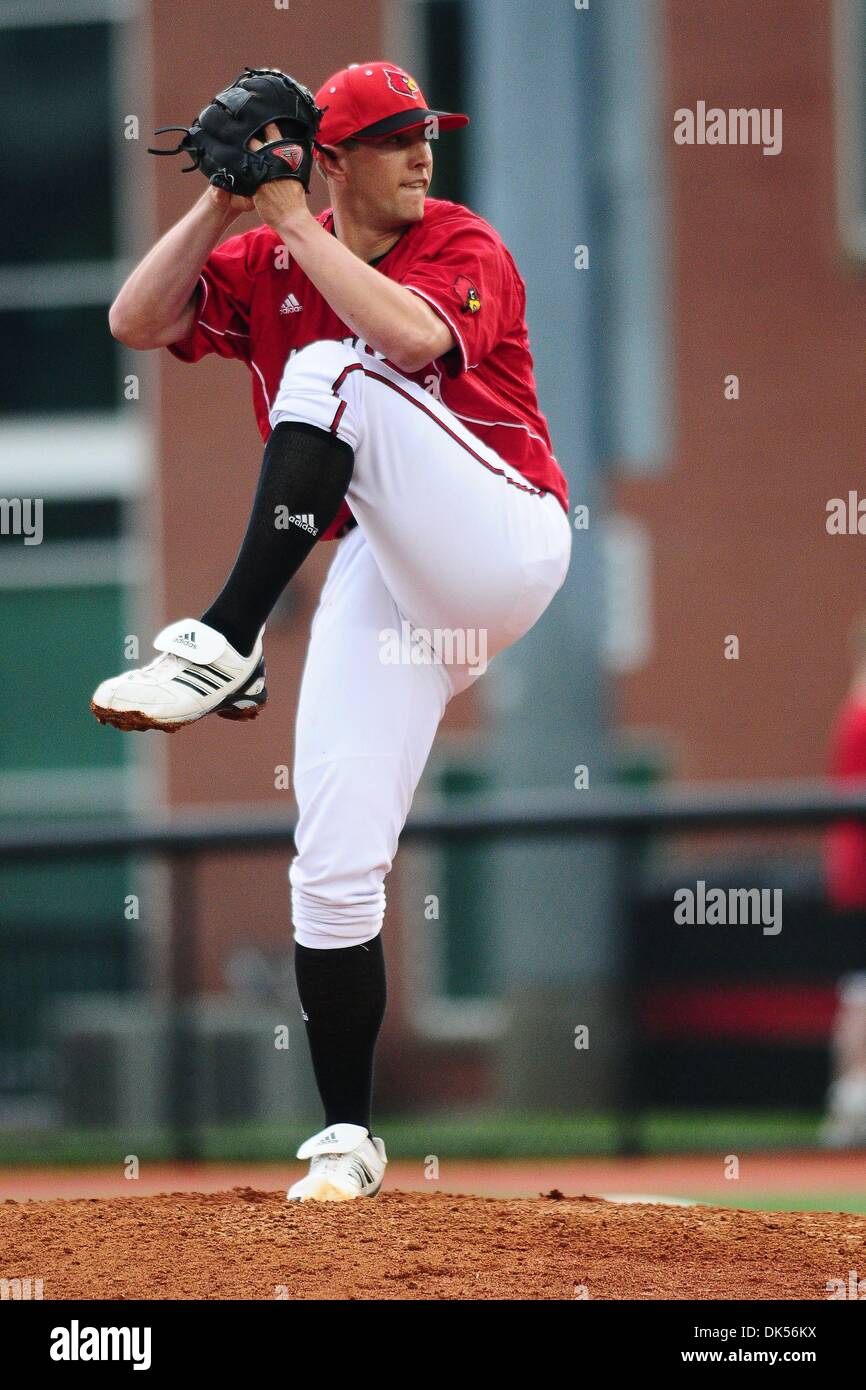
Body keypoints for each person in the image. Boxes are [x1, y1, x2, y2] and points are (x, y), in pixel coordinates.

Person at [94, 60, 571, 1199]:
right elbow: (134, 318)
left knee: (331, 368)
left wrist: (291, 217)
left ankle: (227, 636)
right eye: (396, 137)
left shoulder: (461, 242)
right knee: (334, 856)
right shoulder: (266, 251)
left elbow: (407, 342)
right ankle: (348, 1138)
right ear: (334, 155)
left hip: (500, 536)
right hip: (388, 568)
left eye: (427, 135)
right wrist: (221, 196)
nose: (421, 155)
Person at [822, 619, 866, 1147]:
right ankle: (851, 1101)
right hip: (860, 869)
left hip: (851, 868)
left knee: (858, 986)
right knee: (860, 988)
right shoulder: (860, 712)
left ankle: (849, 1100)